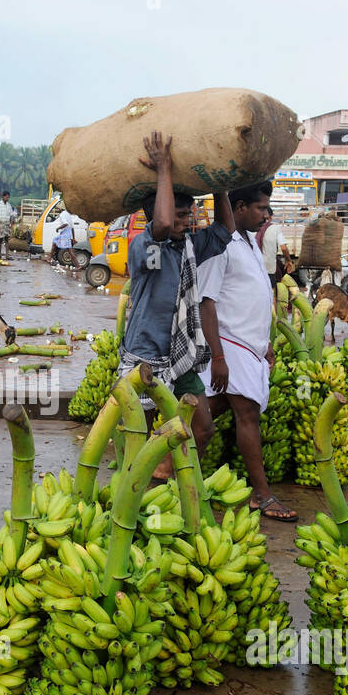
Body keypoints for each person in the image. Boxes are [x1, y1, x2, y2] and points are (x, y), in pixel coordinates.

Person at [119, 131, 235, 479]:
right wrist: (164, 168)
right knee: (146, 432)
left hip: (181, 353)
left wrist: (222, 184)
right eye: (181, 214)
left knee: (203, 428)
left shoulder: (188, 246)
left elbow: (225, 230)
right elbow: (164, 223)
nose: (186, 220)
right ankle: (144, 488)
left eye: (190, 214)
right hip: (146, 351)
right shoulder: (146, 249)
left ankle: (164, 474)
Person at [199, 181, 295, 521]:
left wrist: (266, 343)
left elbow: (252, 296)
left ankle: (164, 471)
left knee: (205, 415)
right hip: (228, 344)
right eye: (260, 208)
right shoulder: (220, 246)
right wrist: (218, 357)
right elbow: (206, 302)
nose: (265, 214)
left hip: (249, 346)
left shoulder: (250, 244)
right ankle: (263, 495)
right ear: (238, 207)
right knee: (248, 414)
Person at [260, 207, 294, 288]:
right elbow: (283, 248)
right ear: (271, 217)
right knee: (270, 293)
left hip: (254, 269)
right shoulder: (274, 228)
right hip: (269, 269)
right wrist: (288, 261)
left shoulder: (251, 228)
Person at [0, 191, 14, 257]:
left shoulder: (9, 205)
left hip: (7, 223)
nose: (7, 199)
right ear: (3, 197)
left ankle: (7, 254)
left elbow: (11, 216)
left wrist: (11, 225)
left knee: (6, 239)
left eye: (8, 197)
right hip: (0, 222)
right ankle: (0, 253)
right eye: (7, 197)